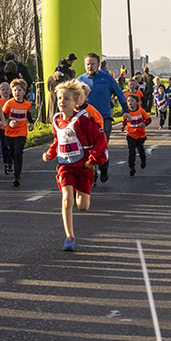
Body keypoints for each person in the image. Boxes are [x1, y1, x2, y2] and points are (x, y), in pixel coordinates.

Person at [43, 80, 107, 251]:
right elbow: (58, 141)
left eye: (67, 98)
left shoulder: (83, 120)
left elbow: (100, 139)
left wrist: (93, 158)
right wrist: (50, 152)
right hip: (65, 166)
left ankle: (79, 191)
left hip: (84, 166)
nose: (62, 102)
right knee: (66, 199)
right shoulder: (56, 121)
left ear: (76, 101)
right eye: (59, 98)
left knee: (83, 206)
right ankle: (69, 237)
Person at [75, 52, 126, 184]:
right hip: (85, 120)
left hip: (103, 120)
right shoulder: (80, 80)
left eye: (92, 64)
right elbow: (71, 99)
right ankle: (92, 176)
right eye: (87, 64)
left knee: (100, 147)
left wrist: (125, 111)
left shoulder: (107, 78)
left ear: (98, 64)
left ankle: (103, 168)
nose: (90, 66)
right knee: (87, 148)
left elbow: (120, 94)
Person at [0, 78, 31, 187]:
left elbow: (28, 114)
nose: (17, 92)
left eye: (20, 90)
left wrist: (31, 123)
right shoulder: (8, 104)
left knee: (18, 154)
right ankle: (13, 165)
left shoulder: (27, 104)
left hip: (21, 132)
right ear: (12, 92)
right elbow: (2, 116)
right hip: (9, 133)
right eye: (15, 90)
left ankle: (17, 176)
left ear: (24, 92)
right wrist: (9, 122)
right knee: (12, 153)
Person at [120, 93, 151, 176]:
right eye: (128, 101)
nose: (130, 102)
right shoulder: (127, 112)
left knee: (140, 149)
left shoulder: (141, 111)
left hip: (140, 134)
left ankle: (143, 160)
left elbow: (148, 119)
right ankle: (131, 167)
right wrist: (123, 127)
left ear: (137, 102)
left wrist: (144, 123)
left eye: (132, 101)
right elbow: (125, 121)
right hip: (130, 134)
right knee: (131, 151)